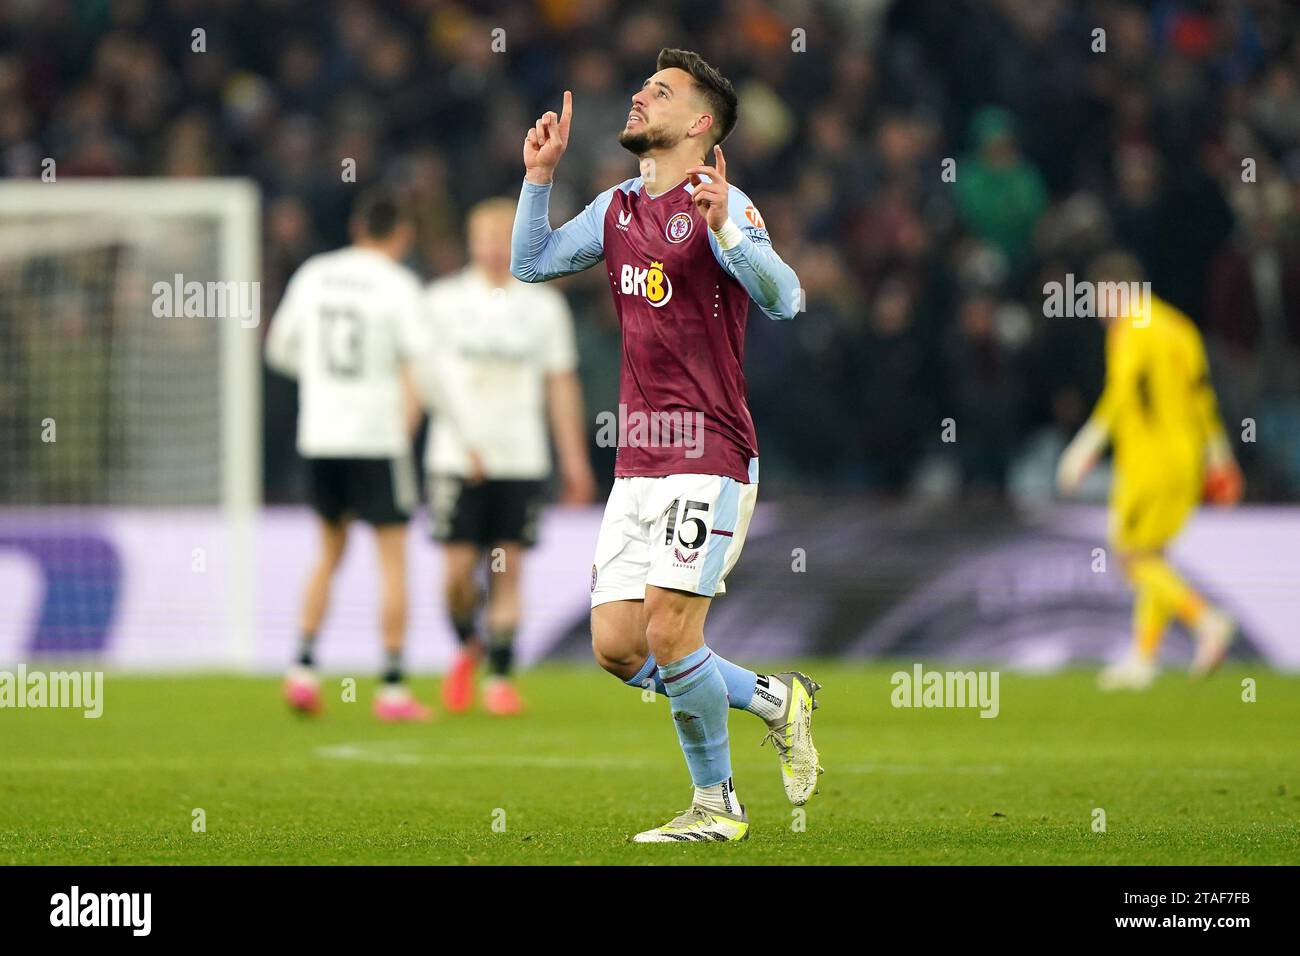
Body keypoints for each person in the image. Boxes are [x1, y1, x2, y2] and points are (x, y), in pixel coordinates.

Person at [511, 48, 821, 843]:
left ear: (700, 122)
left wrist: (731, 236)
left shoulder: (721, 201)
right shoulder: (614, 208)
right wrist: (537, 178)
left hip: (710, 451)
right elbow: (530, 262)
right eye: (642, 85)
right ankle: (776, 700)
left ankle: (717, 804)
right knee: (618, 647)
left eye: (661, 91)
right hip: (639, 460)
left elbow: (788, 298)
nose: (640, 98)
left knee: (670, 634)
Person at [266, 187, 433, 722]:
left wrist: (322, 380)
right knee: (392, 559)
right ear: (401, 235)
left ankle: (303, 669)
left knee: (330, 552)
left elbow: (280, 350)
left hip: (321, 436)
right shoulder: (401, 285)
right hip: (376, 438)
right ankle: (392, 689)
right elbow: (419, 365)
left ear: (358, 228)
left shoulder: (314, 274)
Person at [423, 197, 595, 715]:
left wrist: (574, 461)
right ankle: (468, 645)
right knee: (456, 573)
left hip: (520, 458)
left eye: (505, 237)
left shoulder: (542, 306)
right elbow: (420, 378)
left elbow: (560, 385)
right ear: (470, 242)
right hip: (456, 457)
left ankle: (498, 676)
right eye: (486, 237)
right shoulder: (442, 301)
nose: (496, 247)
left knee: (508, 567)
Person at [1057, 252, 1242, 690]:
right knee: (1154, 556)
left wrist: (1085, 446)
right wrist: (1221, 456)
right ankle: (1143, 658)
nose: (1098, 309)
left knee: (1131, 556)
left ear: (1116, 289)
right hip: (1188, 457)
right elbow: (1202, 398)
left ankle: (1207, 620)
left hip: (1148, 460)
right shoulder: (1179, 326)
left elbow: (1121, 396)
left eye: (1099, 297)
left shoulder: (1130, 329)